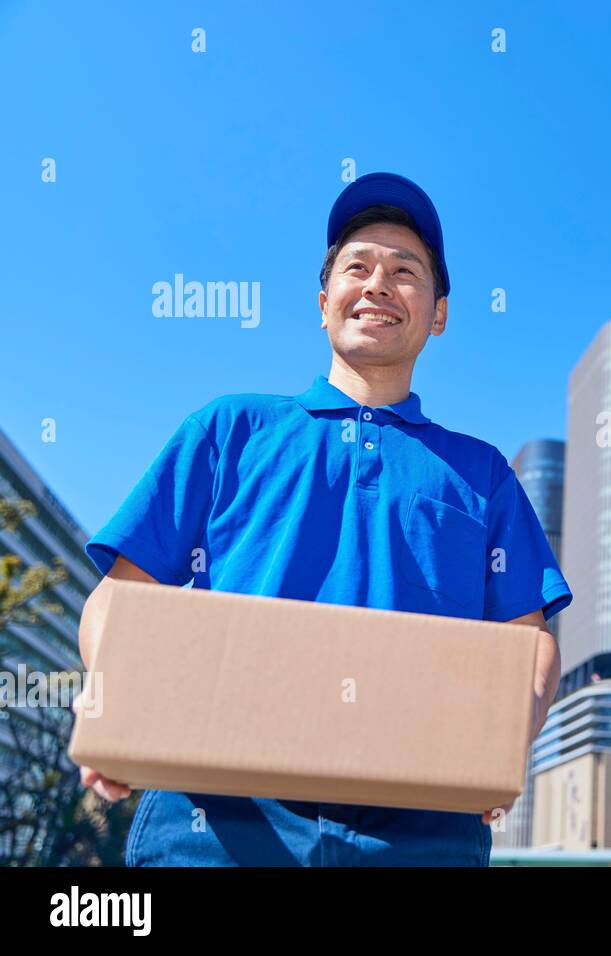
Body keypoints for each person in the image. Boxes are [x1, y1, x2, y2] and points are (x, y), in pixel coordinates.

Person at [74, 172, 571, 866]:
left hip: (421, 826)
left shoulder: (482, 473)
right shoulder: (227, 429)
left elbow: (529, 639)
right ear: (323, 301)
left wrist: (506, 734)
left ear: (439, 314)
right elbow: (121, 597)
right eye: (357, 266)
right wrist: (114, 699)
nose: (378, 284)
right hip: (214, 815)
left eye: (405, 271)